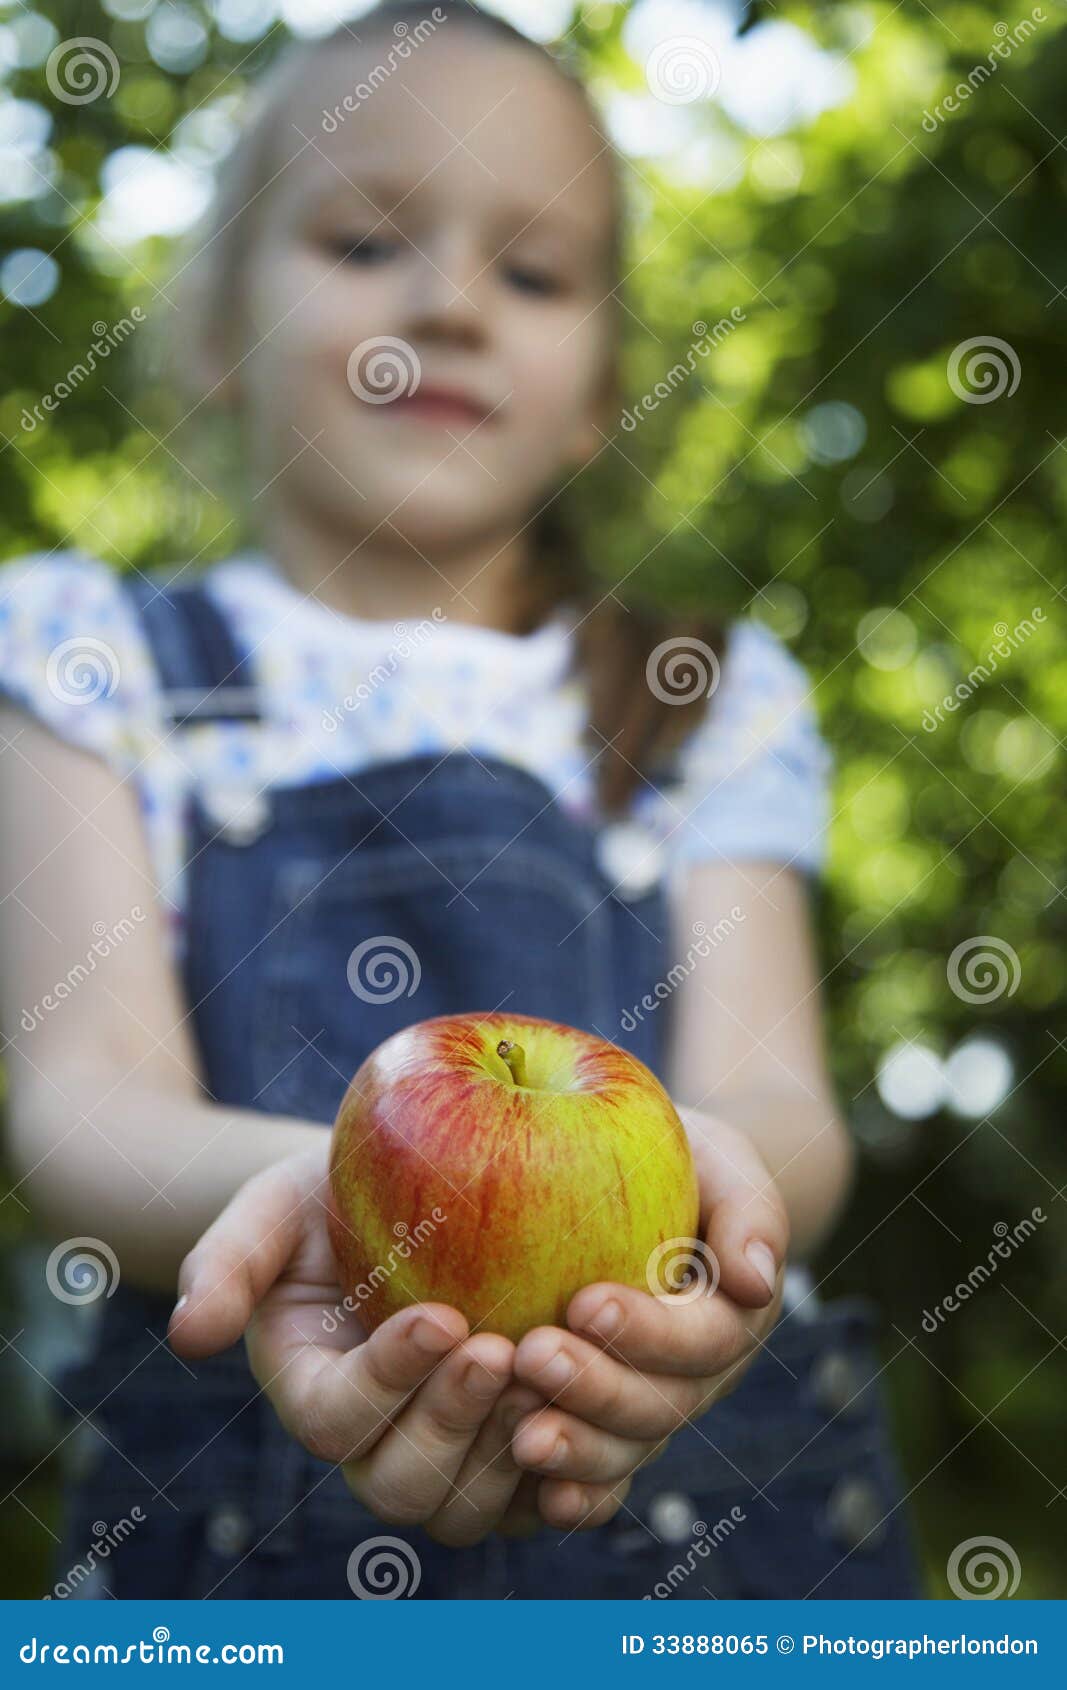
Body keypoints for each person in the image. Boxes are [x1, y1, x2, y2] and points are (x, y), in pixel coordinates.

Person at [0, 1, 920, 1599]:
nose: (447, 302)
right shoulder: (95, 660)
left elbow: (779, 1103)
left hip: (716, 1516)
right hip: (238, 1523)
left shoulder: (697, 688)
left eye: (535, 272)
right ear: (217, 327)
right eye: (366, 241)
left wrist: (711, 1220)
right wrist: (340, 1208)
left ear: (594, 392)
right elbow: (81, 1102)